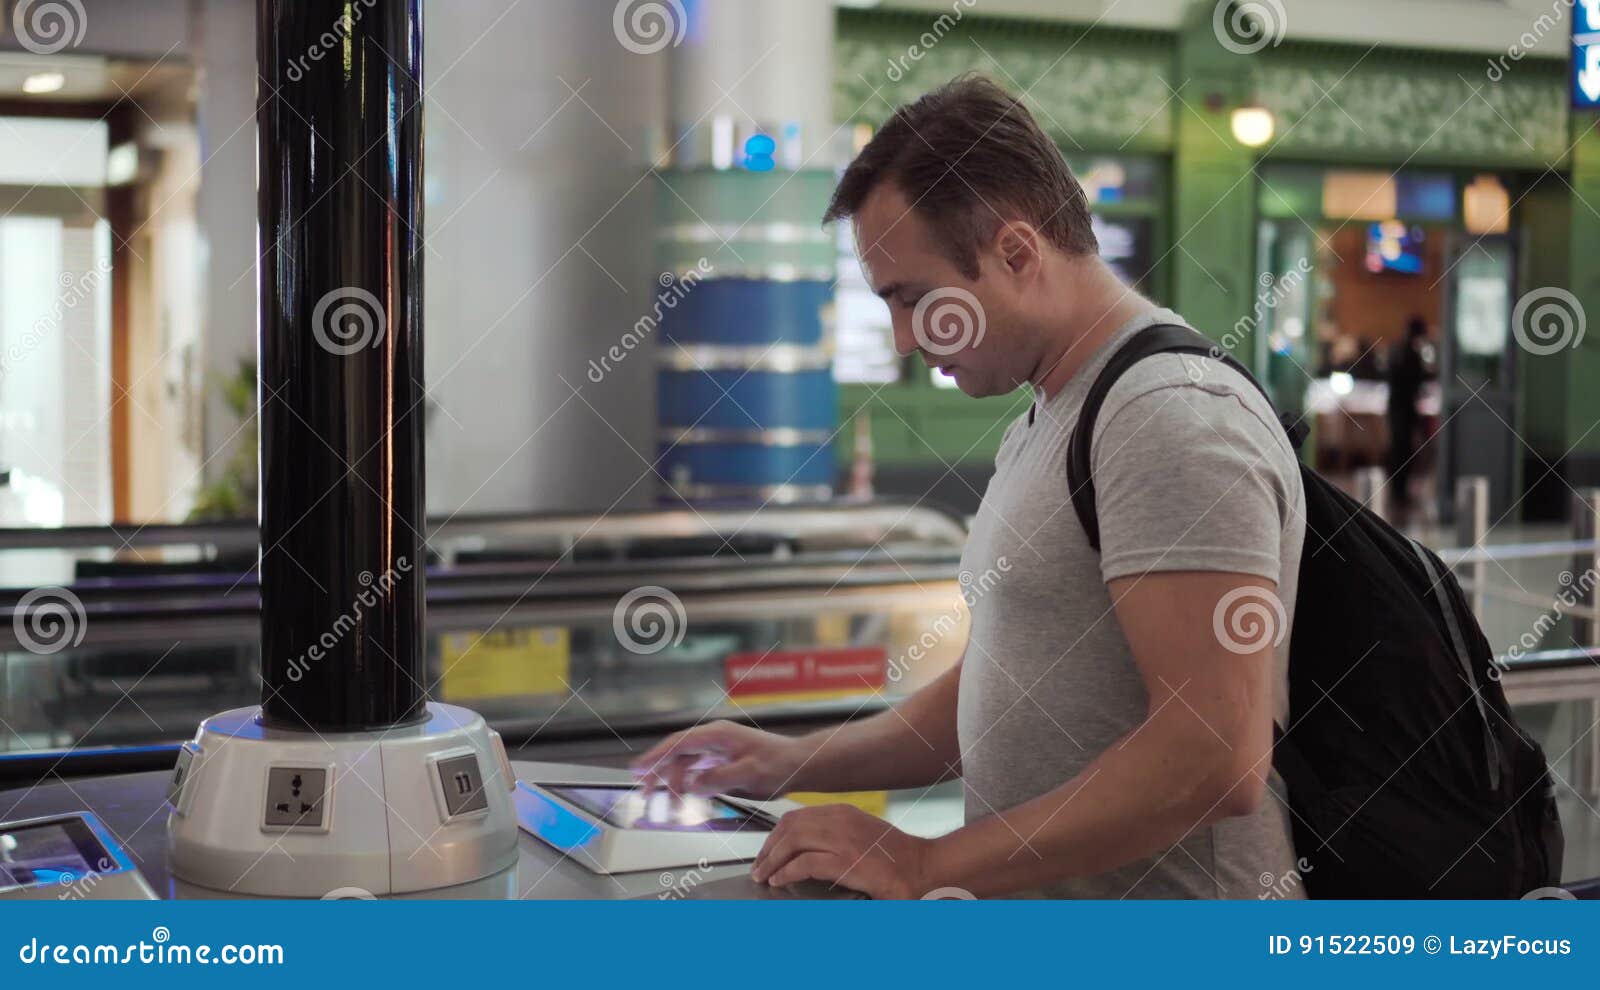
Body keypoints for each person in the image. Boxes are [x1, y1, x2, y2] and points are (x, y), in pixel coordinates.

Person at [632, 75, 1307, 899]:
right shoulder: (1056, 412)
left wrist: (924, 863)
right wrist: (789, 760)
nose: (907, 339)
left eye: (915, 299)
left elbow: (1214, 756)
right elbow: (1001, 687)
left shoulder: (1165, 416)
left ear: (1017, 253)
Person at [1386, 316, 1428, 514]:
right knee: (1403, 451)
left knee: (1398, 450)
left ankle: (1397, 491)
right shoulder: (1412, 354)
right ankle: (1400, 493)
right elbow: (1417, 383)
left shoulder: (1398, 351)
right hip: (1406, 411)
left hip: (1396, 410)